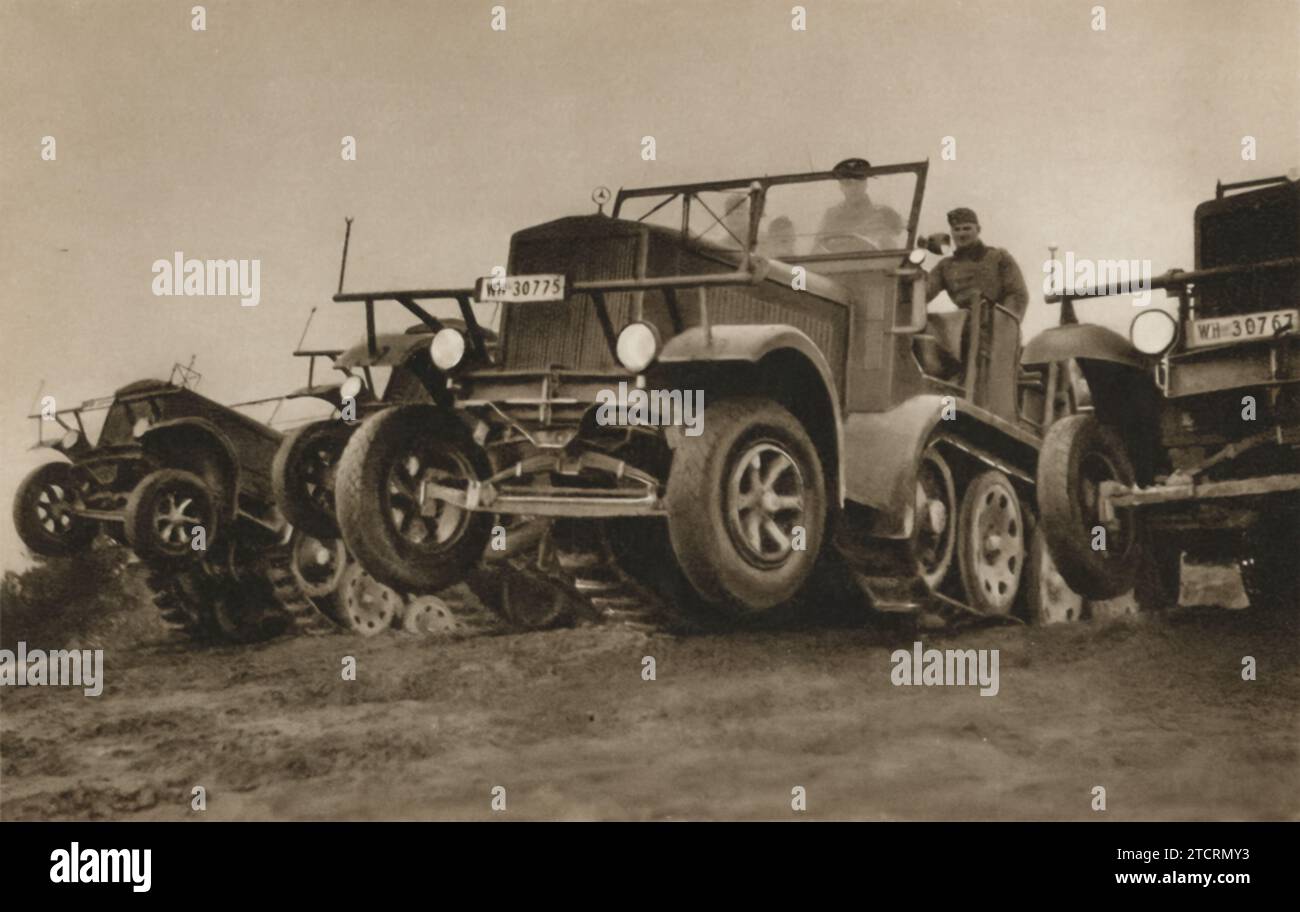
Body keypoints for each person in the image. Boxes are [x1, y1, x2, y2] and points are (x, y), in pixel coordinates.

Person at [921, 207, 1028, 375]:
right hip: (961, 328)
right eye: (957, 230)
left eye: (967, 228)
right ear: (951, 233)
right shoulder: (945, 266)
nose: (962, 234)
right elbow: (923, 292)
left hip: (993, 325)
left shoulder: (998, 257)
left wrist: (1003, 327)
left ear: (978, 230)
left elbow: (1017, 294)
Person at [814, 159, 905, 252]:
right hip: (840, 265)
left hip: (877, 264)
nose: (854, 188)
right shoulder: (831, 216)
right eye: (848, 183)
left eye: (858, 182)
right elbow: (817, 249)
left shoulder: (885, 213)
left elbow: (899, 242)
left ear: (865, 184)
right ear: (841, 187)